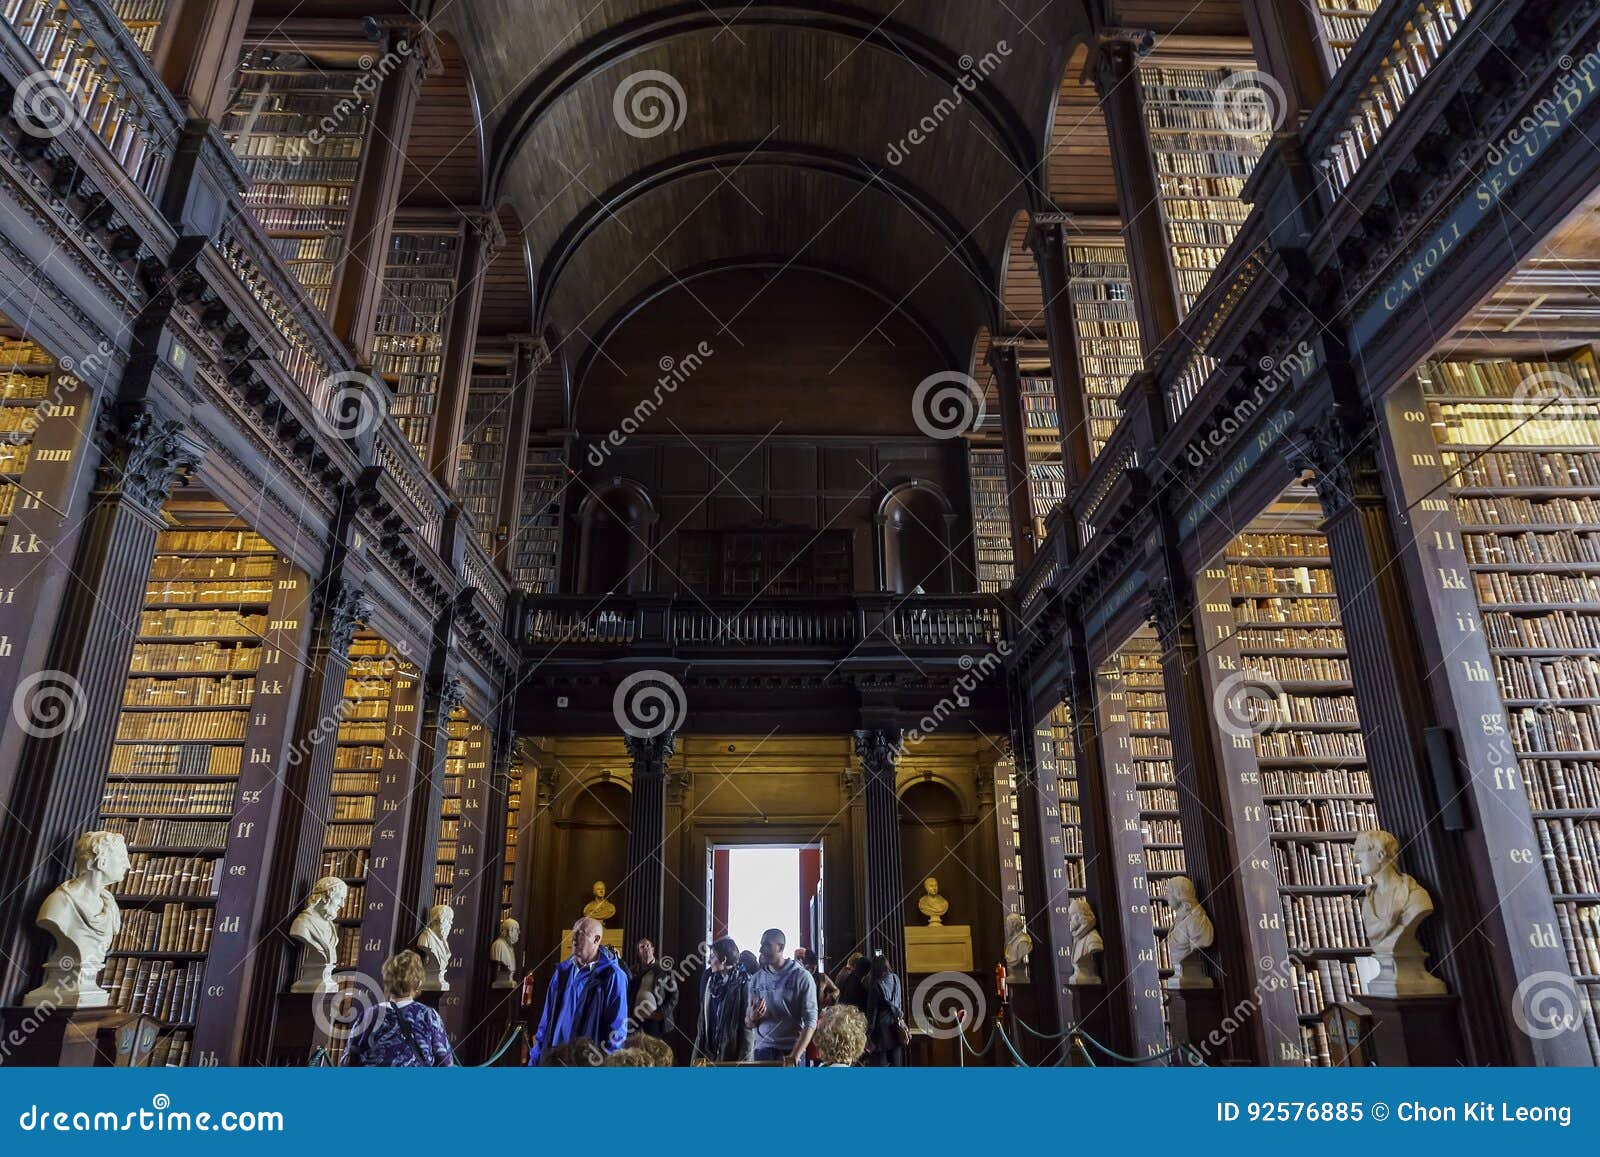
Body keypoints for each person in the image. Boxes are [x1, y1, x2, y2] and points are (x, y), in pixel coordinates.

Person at [529, 916, 629, 1065]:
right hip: (554, 1059)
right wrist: (535, 1058)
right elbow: (546, 1021)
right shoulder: (562, 971)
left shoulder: (613, 976)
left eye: (581, 933)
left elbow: (617, 1030)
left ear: (596, 939)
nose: (574, 937)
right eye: (574, 931)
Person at [341, 950, 453, 1066]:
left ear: (387, 982)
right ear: (418, 984)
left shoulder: (368, 1015)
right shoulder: (428, 1016)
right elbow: (445, 1063)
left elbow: (347, 1061)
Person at [746, 928, 817, 1065]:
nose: (761, 950)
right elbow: (748, 1023)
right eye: (761, 945)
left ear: (781, 947)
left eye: (766, 945)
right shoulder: (755, 979)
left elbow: (810, 1020)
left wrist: (794, 1056)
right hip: (763, 1051)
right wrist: (752, 1017)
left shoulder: (801, 977)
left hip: (791, 1049)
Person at [693, 937, 753, 1063]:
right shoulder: (711, 981)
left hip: (731, 1055)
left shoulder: (744, 983)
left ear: (724, 959)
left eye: (713, 956)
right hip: (709, 1053)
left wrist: (744, 1062)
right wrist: (696, 1057)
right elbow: (702, 1022)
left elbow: (747, 1029)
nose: (709, 961)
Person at [629, 937, 680, 1039]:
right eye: (642, 947)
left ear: (653, 949)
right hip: (636, 1020)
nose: (646, 948)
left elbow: (674, 995)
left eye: (648, 945)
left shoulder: (664, 970)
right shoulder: (633, 970)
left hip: (654, 1021)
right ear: (639, 952)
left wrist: (662, 1013)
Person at [862, 949, 906, 1067]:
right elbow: (899, 1003)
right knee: (897, 1064)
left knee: (880, 1065)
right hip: (895, 1028)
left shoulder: (876, 986)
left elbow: (872, 1013)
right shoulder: (896, 979)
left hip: (881, 1032)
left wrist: (867, 1033)